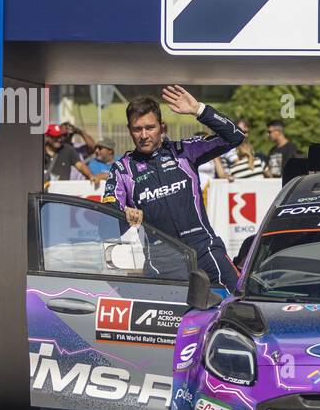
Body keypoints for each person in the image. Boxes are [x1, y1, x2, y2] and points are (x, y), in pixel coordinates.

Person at [102, 85, 247, 291]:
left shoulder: (184, 151)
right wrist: (123, 211)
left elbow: (235, 136)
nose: (144, 135)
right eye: (137, 129)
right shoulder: (122, 168)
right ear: (129, 131)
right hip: (162, 259)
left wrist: (199, 110)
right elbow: (107, 210)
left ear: (162, 127)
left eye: (150, 127)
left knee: (239, 303)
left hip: (204, 249)